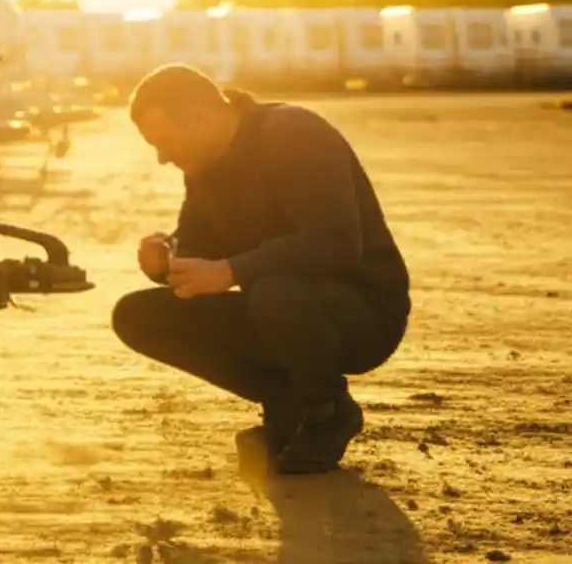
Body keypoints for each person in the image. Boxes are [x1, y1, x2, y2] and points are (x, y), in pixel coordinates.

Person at [112, 63, 411, 475]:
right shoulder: (203, 167)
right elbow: (200, 250)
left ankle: (327, 412)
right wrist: (167, 260)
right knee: (136, 316)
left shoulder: (293, 134)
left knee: (275, 290)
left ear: (199, 117)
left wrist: (233, 271)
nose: (163, 158)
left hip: (363, 315)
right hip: (276, 309)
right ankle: (286, 404)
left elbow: (336, 242)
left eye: (164, 141)